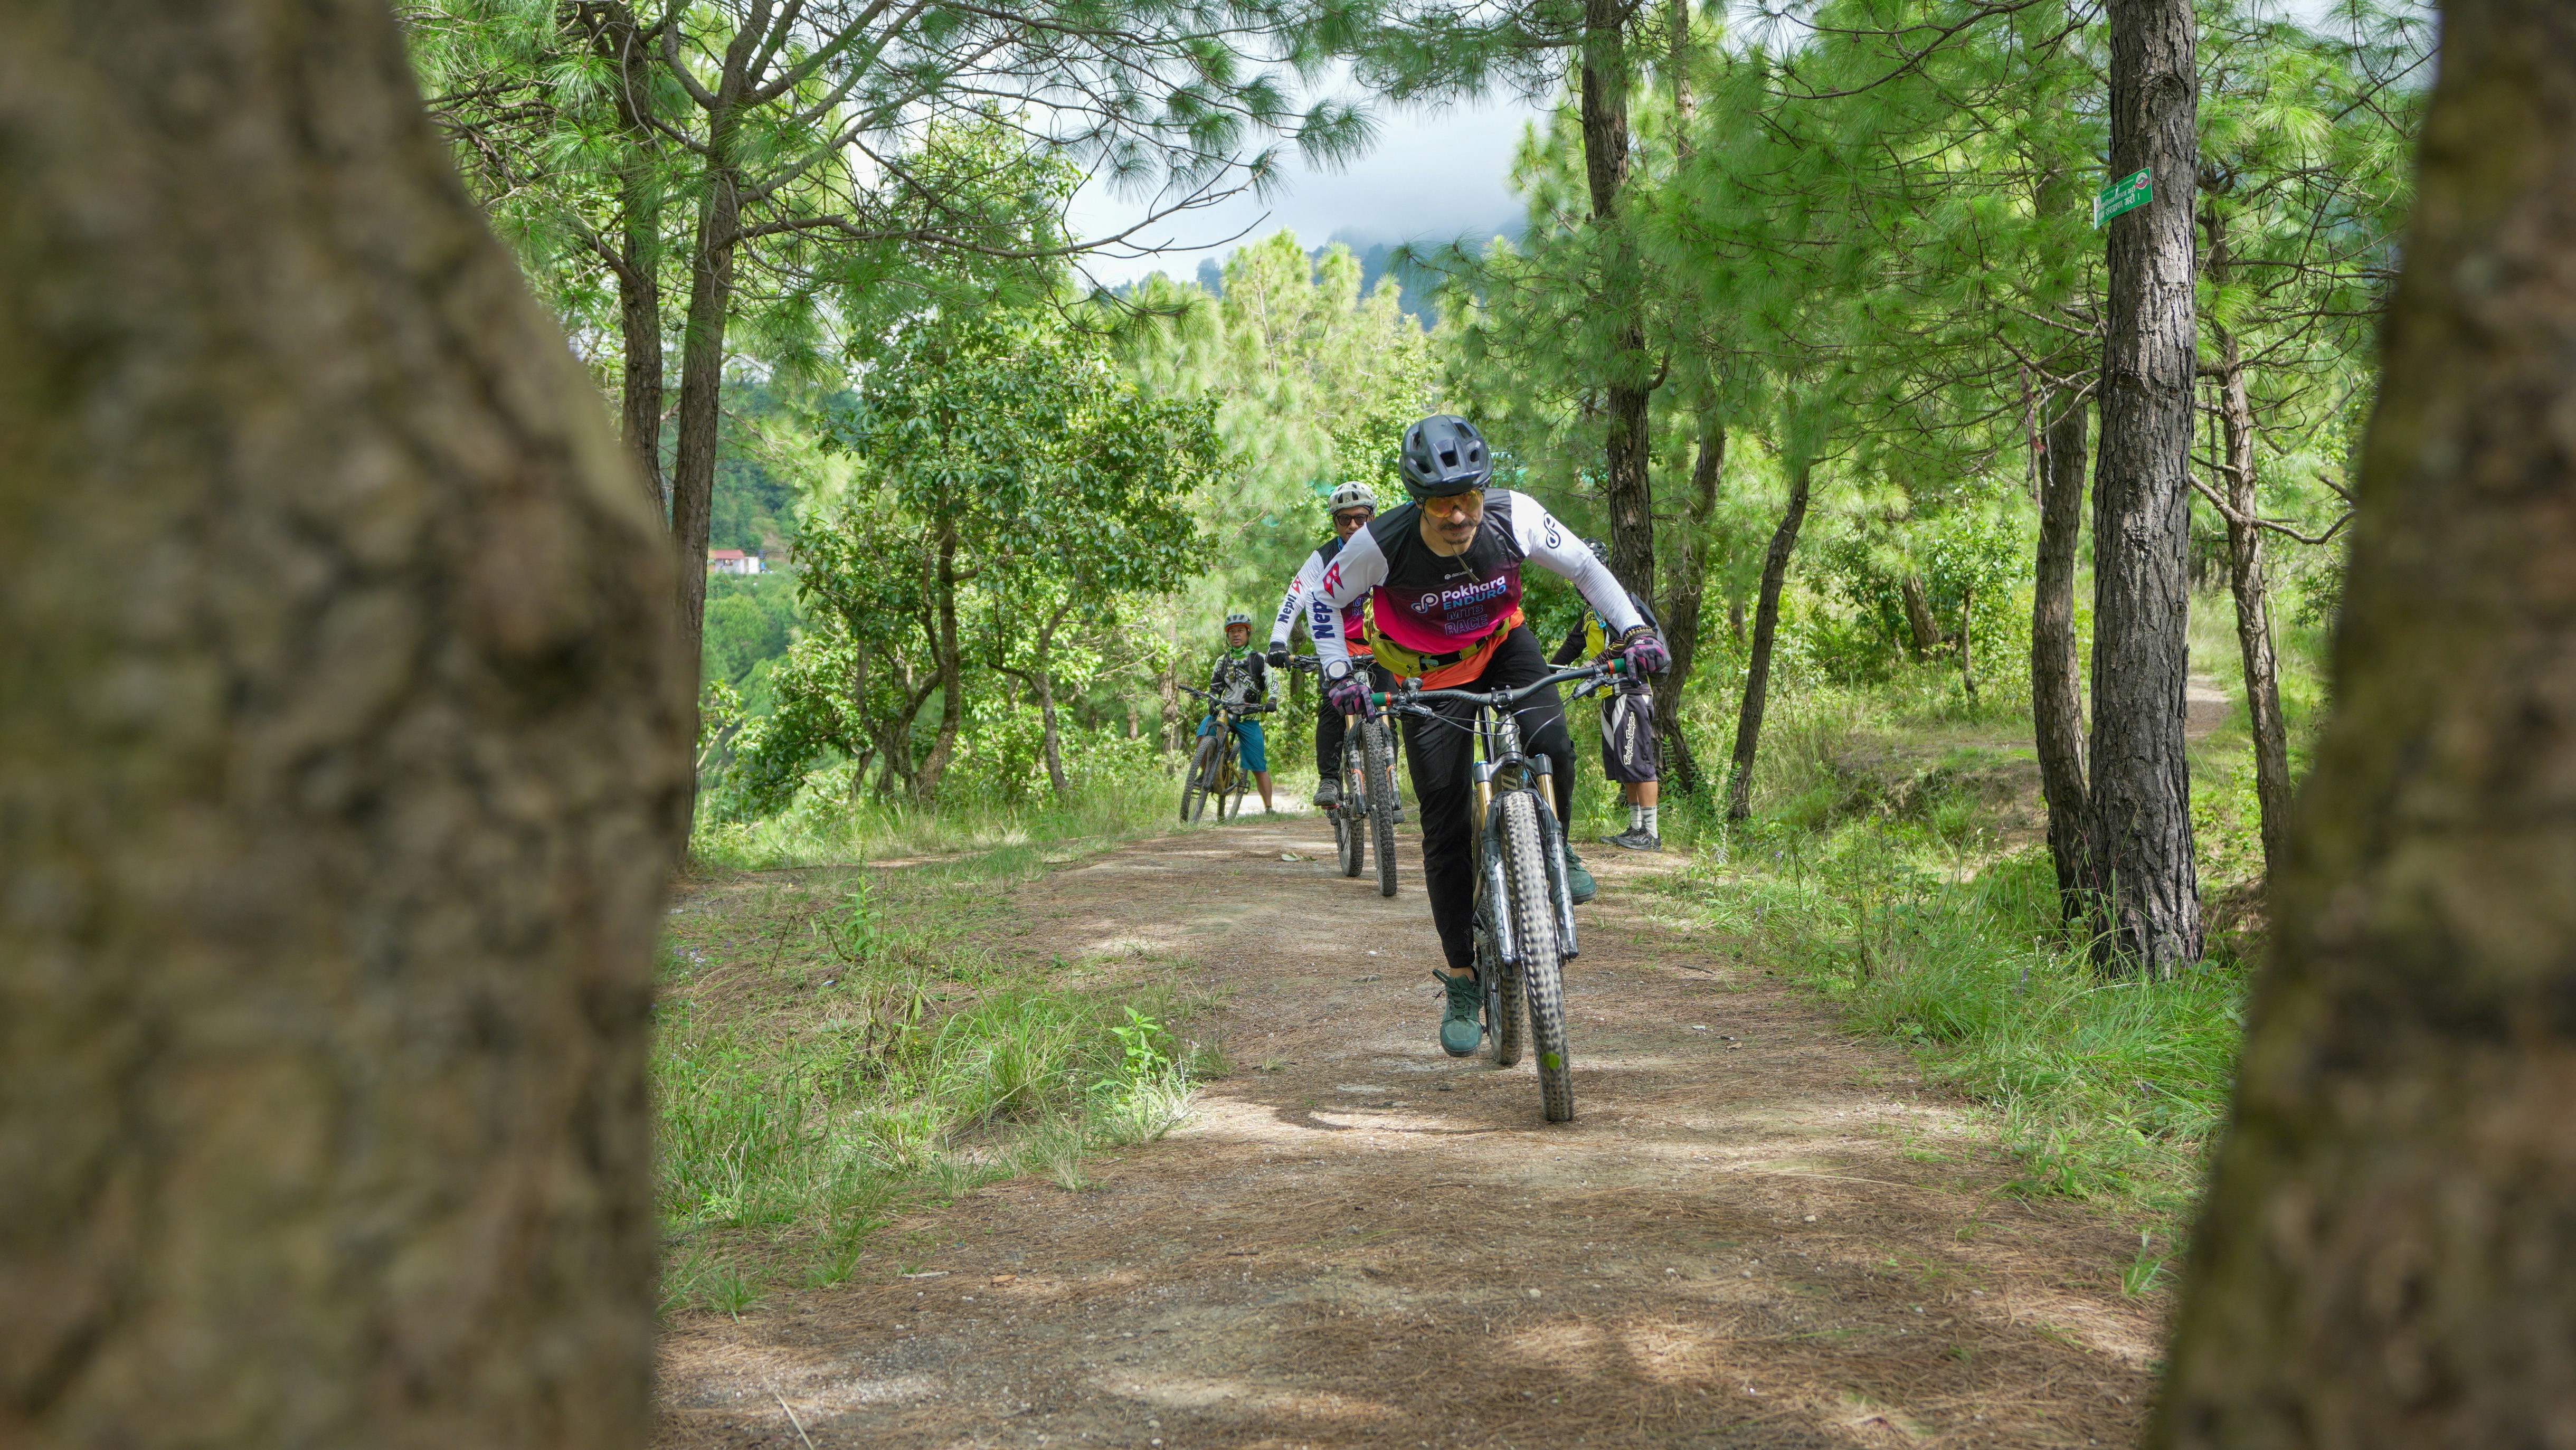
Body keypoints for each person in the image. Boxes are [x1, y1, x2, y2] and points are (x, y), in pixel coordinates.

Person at [1312, 415, 1668, 1057]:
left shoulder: (1514, 516)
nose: (1459, 516)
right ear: (1420, 503)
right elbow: (1322, 599)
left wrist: (1633, 629)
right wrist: (1340, 671)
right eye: (1444, 504)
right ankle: (1462, 977)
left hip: (1502, 645)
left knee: (1552, 743)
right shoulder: (1379, 543)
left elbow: (1586, 568)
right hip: (1423, 675)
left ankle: (1554, 848)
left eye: (1469, 499)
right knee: (1444, 827)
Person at [1267, 482, 1394, 809]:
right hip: (1337, 646)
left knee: (1396, 706)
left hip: (1381, 644)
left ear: (1373, 517)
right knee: (1332, 705)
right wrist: (1278, 640)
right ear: (1335, 522)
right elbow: (1296, 595)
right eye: (1344, 519)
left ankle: (1390, 776)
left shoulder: (1388, 546)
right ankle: (1329, 779)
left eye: (1361, 518)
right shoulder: (1323, 556)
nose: (1353, 526)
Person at [1552, 539, 1666, 850]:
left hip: (1630, 689)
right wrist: (1544, 672)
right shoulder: (1590, 611)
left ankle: (1651, 834)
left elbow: (1630, 638)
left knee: (1638, 760)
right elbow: (1572, 646)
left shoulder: (1619, 603)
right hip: (1608, 693)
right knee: (1623, 763)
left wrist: (1597, 663)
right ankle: (1634, 828)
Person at [1201, 612, 1275, 813]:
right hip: (1225, 712)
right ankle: (1203, 773)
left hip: (1249, 717)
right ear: (1228, 636)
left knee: (1258, 765)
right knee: (1203, 731)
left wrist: (1272, 700)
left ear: (1248, 633)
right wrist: (1212, 700)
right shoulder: (1222, 661)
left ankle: (1268, 807)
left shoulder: (1259, 659)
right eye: (1232, 632)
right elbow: (1215, 686)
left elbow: (1272, 681)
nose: (1236, 635)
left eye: (1240, 631)